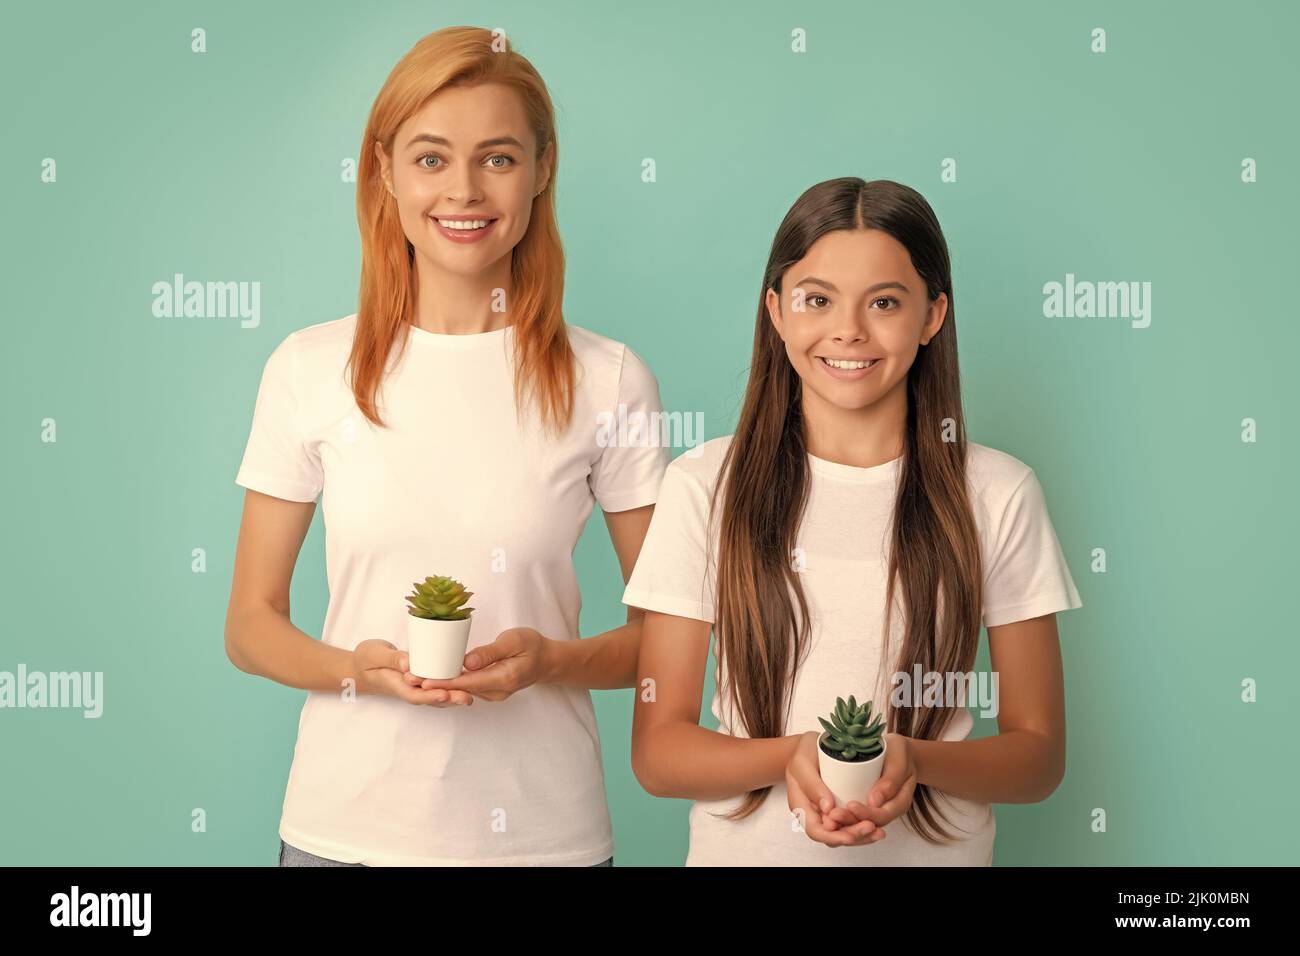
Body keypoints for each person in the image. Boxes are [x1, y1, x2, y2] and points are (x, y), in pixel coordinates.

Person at [226, 26, 667, 866]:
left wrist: (552, 662)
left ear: (542, 171)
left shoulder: (608, 381)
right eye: (431, 158)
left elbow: (667, 638)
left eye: (497, 158)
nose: (463, 189)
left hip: (545, 841)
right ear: (384, 170)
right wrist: (359, 669)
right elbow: (250, 624)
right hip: (340, 835)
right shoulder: (309, 369)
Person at [624, 177, 1083, 865]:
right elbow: (659, 752)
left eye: (886, 303)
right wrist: (791, 758)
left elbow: (1039, 758)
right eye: (818, 299)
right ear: (776, 312)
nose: (848, 331)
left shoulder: (998, 493)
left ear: (933, 316)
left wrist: (912, 762)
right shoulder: (702, 487)